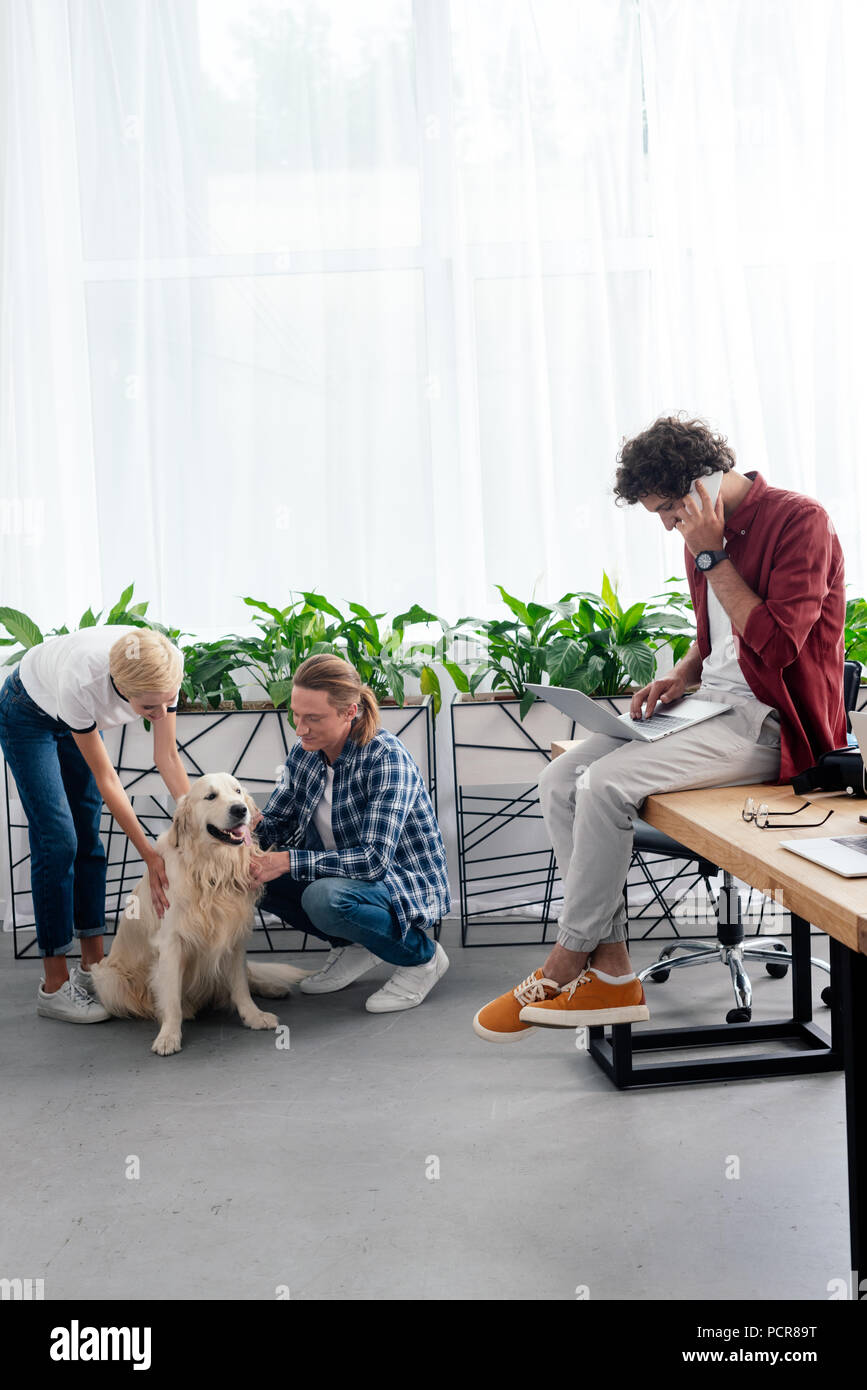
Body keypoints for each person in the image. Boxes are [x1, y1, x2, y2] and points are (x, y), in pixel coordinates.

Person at [473, 413, 847, 1041]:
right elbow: (717, 637)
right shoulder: (699, 533)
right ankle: (614, 968)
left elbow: (779, 648)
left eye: (672, 508)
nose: (671, 523)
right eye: (662, 514)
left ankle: (567, 960)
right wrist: (682, 673)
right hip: (713, 706)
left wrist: (711, 553)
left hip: (772, 724)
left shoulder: (798, 522)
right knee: (562, 777)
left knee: (605, 784)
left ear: (706, 479)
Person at [0, 626, 189, 1022]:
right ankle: (53, 988)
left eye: (166, 703)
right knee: (58, 840)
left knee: (88, 835)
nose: (159, 714)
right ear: (120, 687)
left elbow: (167, 757)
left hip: (75, 714)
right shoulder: (83, 681)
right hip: (27, 711)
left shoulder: (166, 667)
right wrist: (151, 855)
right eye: (148, 709)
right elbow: (108, 780)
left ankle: (93, 968)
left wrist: (192, 824)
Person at [249, 653, 451, 1012]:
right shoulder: (304, 754)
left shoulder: (385, 757)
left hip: (399, 882)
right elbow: (277, 823)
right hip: (339, 876)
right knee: (250, 875)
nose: (300, 728)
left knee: (324, 899)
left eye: (313, 718)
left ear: (349, 712)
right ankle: (354, 947)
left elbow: (373, 861)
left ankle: (423, 958)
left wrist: (287, 860)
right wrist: (241, 826)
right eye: (296, 715)